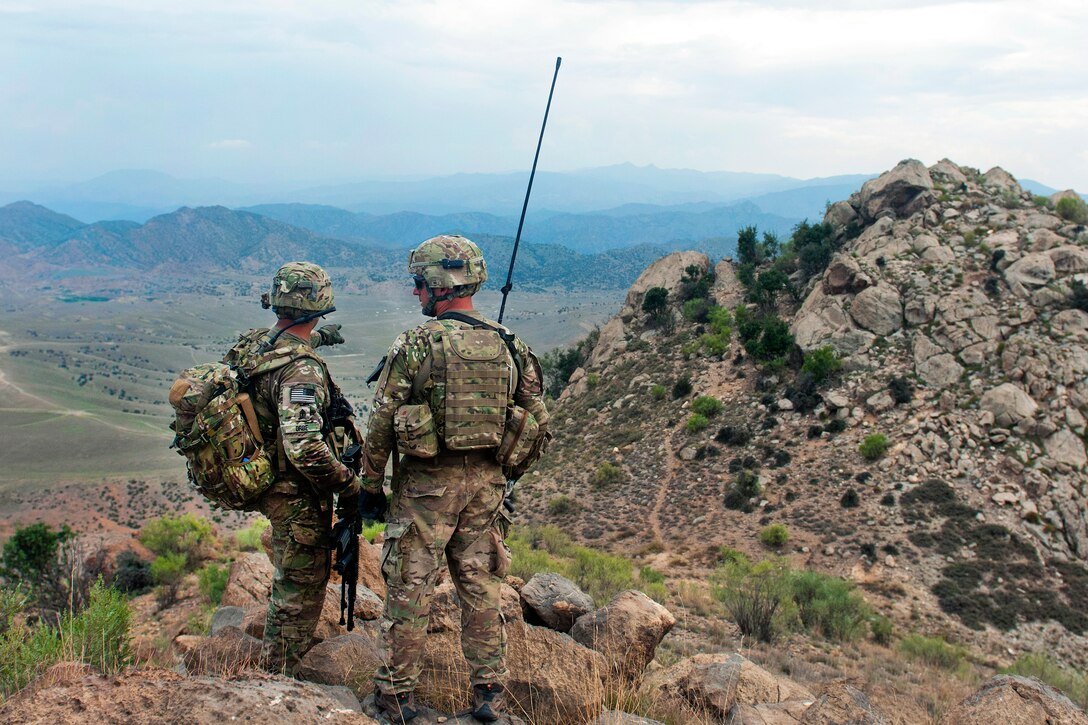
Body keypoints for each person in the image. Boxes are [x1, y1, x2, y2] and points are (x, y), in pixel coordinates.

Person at [363, 235, 549, 722]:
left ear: (439, 286)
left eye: (418, 284)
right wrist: (509, 471)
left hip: (426, 489)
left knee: (410, 589)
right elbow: (537, 418)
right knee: (480, 587)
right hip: (486, 488)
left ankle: (396, 697)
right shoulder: (511, 345)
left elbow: (382, 422)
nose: (415, 294)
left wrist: (368, 485)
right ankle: (488, 694)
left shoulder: (418, 343)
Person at [225, 261, 361, 675]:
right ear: (320, 306)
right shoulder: (302, 371)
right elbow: (304, 448)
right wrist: (350, 484)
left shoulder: (251, 345)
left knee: (289, 573)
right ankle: (277, 678)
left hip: (267, 480)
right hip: (295, 492)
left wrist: (318, 338)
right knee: (298, 591)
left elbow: (284, 345)